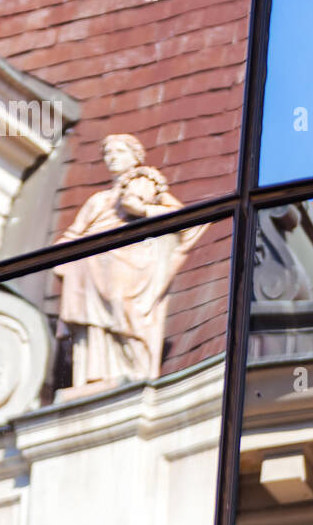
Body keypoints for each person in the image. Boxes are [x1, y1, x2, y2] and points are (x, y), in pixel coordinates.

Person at [53, 134, 204, 389]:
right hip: (93, 264)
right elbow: (72, 235)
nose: (112, 158)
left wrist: (142, 210)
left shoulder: (144, 181)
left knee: (121, 305)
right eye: (108, 154)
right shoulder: (98, 200)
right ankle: (94, 376)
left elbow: (182, 217)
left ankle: (135, 366)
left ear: (135, 157)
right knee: (85, 290)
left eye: (119, 152)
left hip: (127, 259)